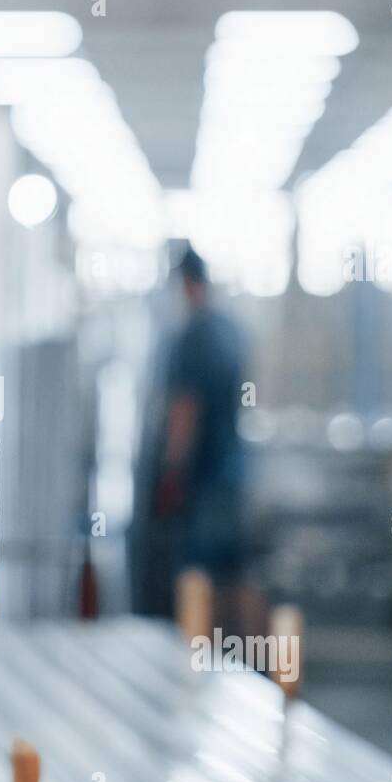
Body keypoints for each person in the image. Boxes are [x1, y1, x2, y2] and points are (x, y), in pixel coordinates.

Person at [139, 246, 247, 629]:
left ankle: (201, 666)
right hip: (232, 473)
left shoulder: (194, 335)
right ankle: (238, 668)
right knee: (230, 575)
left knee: (197, 581)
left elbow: (185, 410)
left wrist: (171, 472)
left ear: (185, 284)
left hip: (202, 481)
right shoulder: (230, 329)